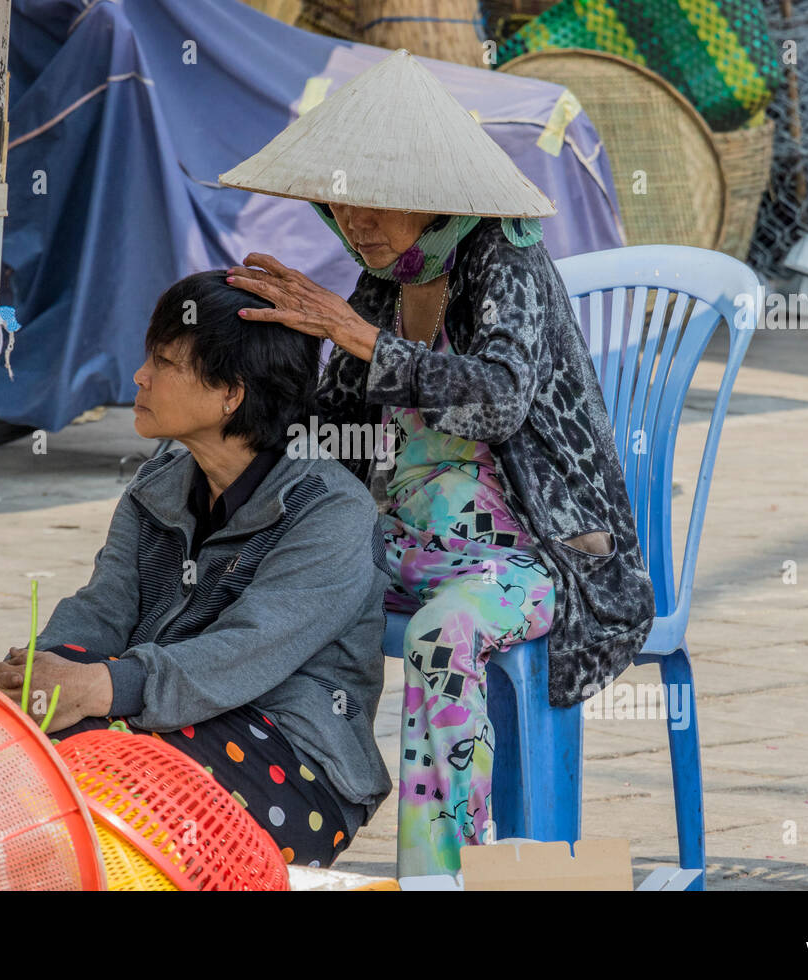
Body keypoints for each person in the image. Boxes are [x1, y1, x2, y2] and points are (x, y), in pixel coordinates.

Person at [220, 49, 656, 877]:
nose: (358, 222)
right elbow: (339, 429)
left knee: (439, 638)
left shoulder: (505, 258)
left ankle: (442, 873)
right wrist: (242, 399)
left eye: (379, 202)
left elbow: (498, 399)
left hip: (536, 557)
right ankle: (274, 829)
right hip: (411, 546)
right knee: (267, 588)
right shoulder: (384, 281)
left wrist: (355, 337)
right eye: (342, 202)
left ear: (437, 194)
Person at [0, 271, 392, 868]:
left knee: (82, 772)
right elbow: (104, 607)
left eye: (166, 362)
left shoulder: (330, 509)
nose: (140, 377)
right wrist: (48, 673)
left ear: (231, 393)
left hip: (293, 762)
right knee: (16, 750)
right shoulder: (158, 485)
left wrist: (101, 687)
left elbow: (245, 650)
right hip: (154, 721)